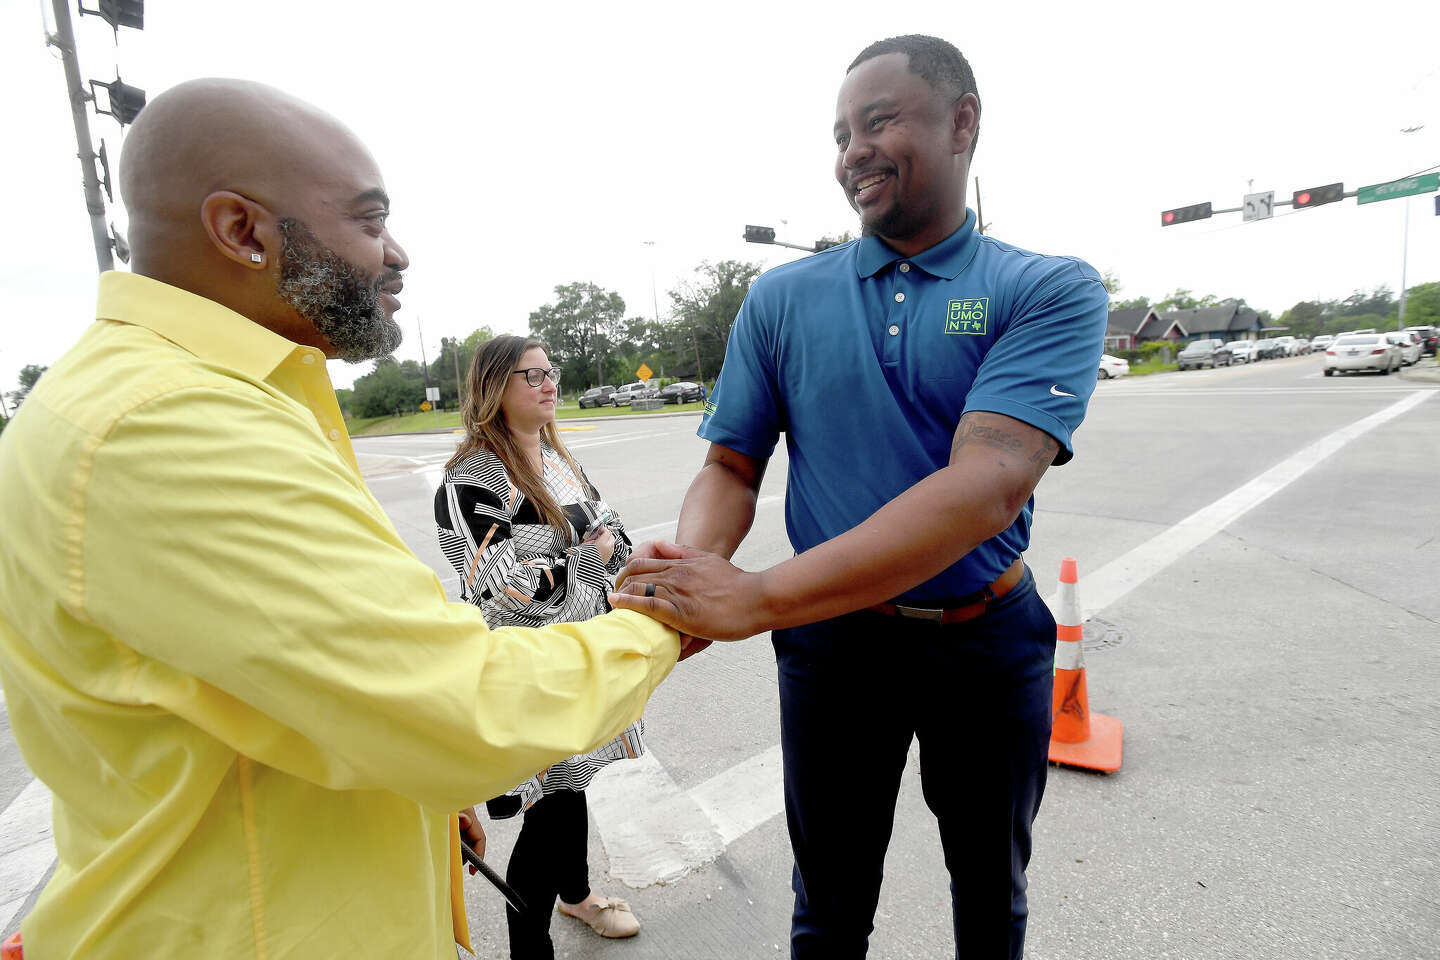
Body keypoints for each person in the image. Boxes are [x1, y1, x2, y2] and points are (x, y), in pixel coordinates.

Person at [0, 79, 683, 959]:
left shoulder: (182, 394)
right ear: (242, 230)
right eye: (368, 222)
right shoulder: (168, 423)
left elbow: (285, 679)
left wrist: (412, 804)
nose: (397, 255)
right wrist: (660, 622)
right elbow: (461, 712)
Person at [611, 35, 1108, 959]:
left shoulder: (1043, 288)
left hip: (987, 640)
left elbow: (989, 482)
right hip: (836, 643)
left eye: (880, 121)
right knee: (829, 900)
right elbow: (730, 466)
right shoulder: (782, 300)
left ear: (962, 122)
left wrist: (757, 599)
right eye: (841, 134)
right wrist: (695, 567)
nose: (853, 152)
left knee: (990, 891)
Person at [436, 335, 643, 957]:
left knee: (570, 786)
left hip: (581, 655)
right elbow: (507, 594)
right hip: (528, 673)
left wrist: (583, 550)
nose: (550, 383)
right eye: (533, 375)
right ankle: (531, 949)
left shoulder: (558, 457)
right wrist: (587, 549)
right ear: (495, 387)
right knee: (547, 813)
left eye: (551, 372)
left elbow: (621, 538)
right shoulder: (473, 475)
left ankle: (576, 896)